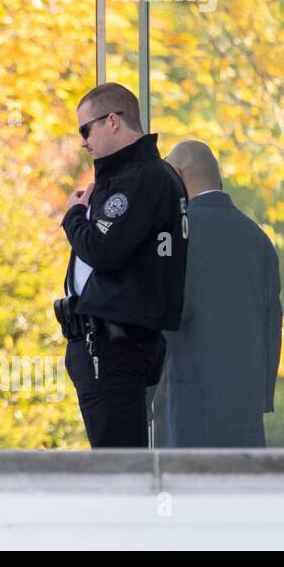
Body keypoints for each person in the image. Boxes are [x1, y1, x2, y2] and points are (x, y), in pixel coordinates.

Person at [59, 83, 187, 447]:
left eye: (86, 129)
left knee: (119, 468)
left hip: (115, 344)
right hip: (114, 342)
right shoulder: (135, 177)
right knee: (121, 462)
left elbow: (103, 251)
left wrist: (72, 216)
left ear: (112, 121)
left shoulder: (140, 177)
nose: (84, 141)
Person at [158, 140, 283, 447]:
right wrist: (263, 394)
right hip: (245, 406)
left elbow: (164, 321)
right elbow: (272, 324)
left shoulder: (176, 237)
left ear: (177, 175)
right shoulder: (258, 239)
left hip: (189, 405)